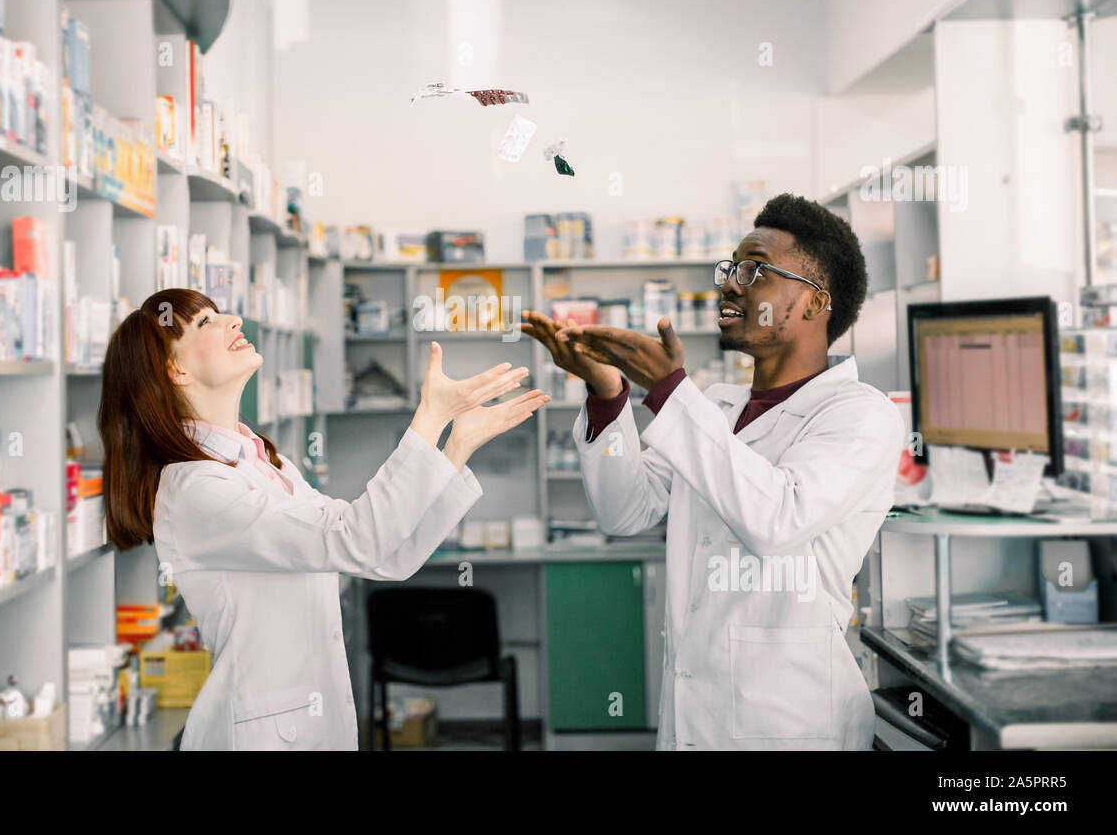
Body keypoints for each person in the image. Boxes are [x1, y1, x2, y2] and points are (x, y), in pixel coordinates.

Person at [522, 194, 901, 750]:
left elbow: (776, 518)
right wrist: (607, 392)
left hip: (790, 723)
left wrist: (671, 392)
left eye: (754, 271)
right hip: (695, 716)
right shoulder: (718, 407)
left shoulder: (860, 415)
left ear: (815, 302)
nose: (730, 285)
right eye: (731, 269)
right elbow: (625, 510)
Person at [99, 288, 548, 750]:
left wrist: (457, 445)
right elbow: (357, 540)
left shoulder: (266, 465)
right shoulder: (196, 492)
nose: (234, 320)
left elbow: (387, 557)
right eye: (206, 322)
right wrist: (429, 419)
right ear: (176, 370)